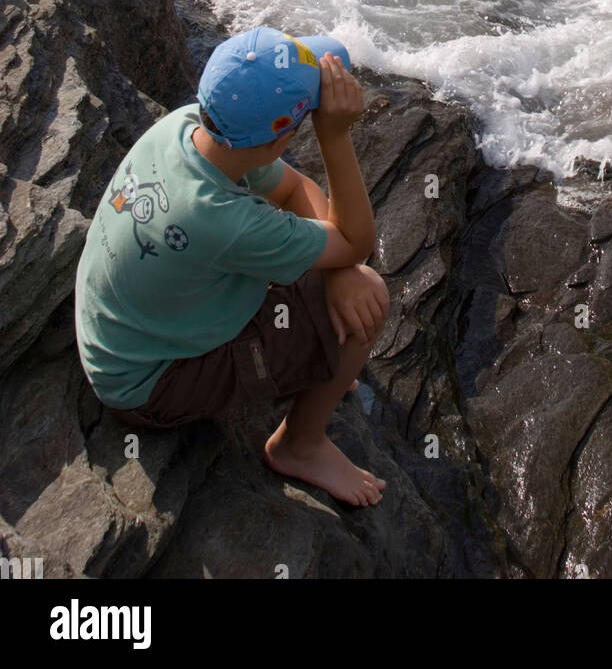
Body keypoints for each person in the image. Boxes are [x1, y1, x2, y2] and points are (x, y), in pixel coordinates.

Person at [74, 27, 389, 508]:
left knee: (342, 279)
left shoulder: (190, 129)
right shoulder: (221, 219)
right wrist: (335, 136)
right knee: (369, 298)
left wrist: (338, 267)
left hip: (121, 333)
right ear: (278, 138)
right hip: (148, 386)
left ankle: (315, 357)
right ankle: (298, 445)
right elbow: (356, 241)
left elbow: (291, 190)